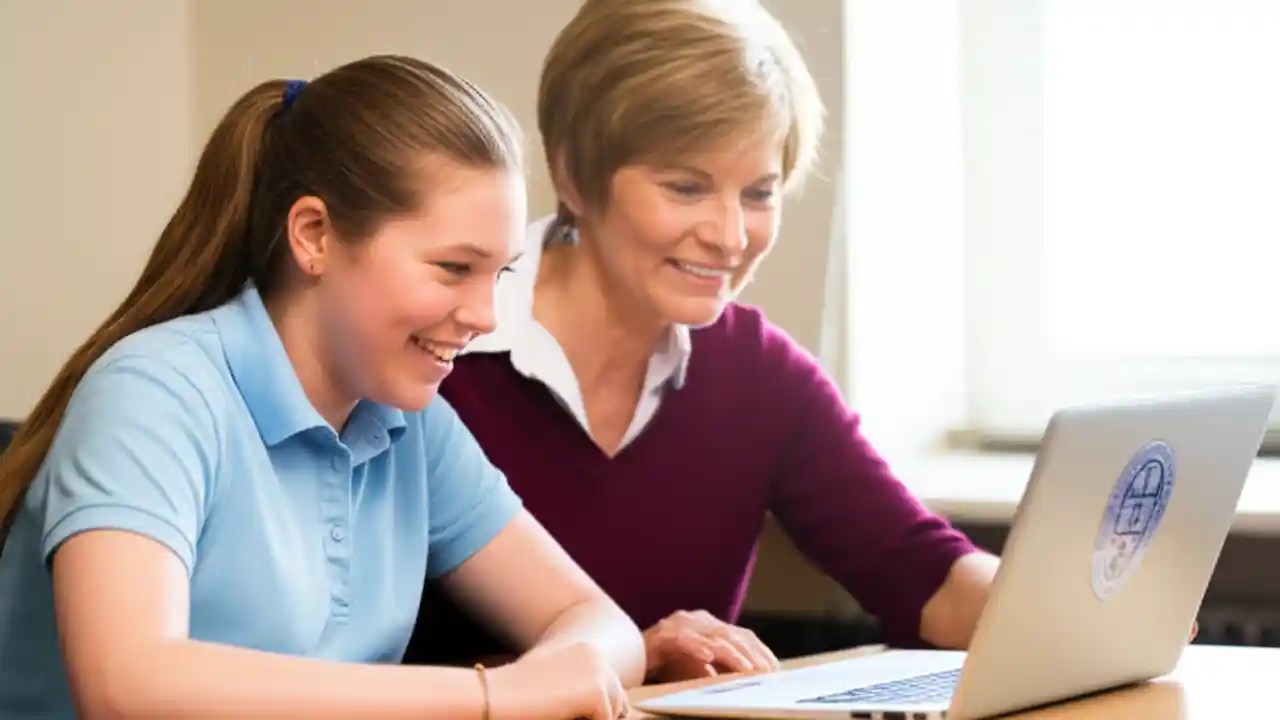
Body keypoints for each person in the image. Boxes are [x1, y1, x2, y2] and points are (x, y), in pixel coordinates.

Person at [0, 55, 643, 719]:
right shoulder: (155, 393)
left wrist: (557, 674)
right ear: (314, 236)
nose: (486, 317)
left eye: (500, 275)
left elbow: (599, 623)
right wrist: (493, 696)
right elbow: (127, 684)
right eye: (454, 268)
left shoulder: (408, 423)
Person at [403, 0, 999, 684]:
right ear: (574, 176)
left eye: (759, 193)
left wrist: (1073, 615)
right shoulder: (438, 355)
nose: (730, 235)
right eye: (686, 188)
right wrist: (627, 661)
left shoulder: (756, 373)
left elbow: (923, 572)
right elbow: (357, 661)